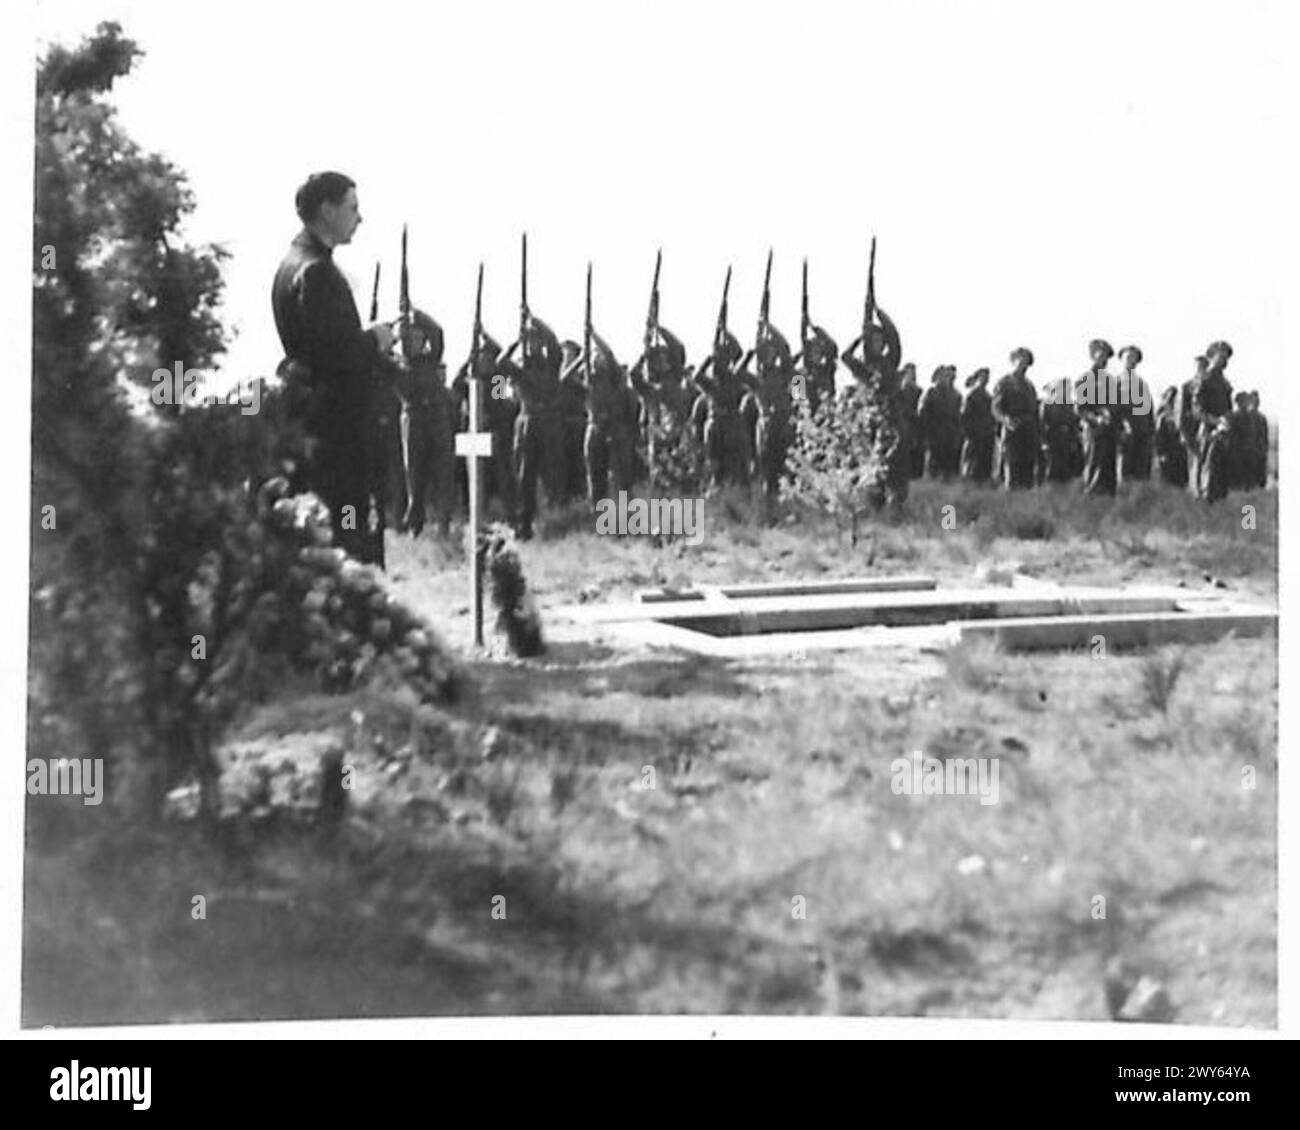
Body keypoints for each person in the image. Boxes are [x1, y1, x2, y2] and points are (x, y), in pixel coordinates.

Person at [272, 171, 395, 564]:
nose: (360, 218)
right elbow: (339, 358)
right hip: (340, 439)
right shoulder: (318, 272)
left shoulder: (290, 266)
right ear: (327, 210)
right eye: (352, 208)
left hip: (314, 431)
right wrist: (376, 339)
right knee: (350, 545)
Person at [1075, 339, 1119, 496]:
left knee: (1109, 468)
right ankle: (1091, 498)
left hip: (1109, 431)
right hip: (1093, 430)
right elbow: (1080, 409)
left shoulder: (1110, 381)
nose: (1104, 359)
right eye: (1100, 355)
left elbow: (1116, 406)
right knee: (1094, 465)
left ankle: (1107, 499)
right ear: (1093, 356)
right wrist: (1095, 418)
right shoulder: (1085, 379)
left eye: (1106, 357)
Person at [991, 347, 1040, 489]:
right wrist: (1006, 420)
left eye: (1026, 362)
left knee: (1027, 468)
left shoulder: (1029, 386)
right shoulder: (1004, 383)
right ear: (1013, 361)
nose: (1023, 364)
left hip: (1028, 431)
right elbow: (996, 408)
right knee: (1012, 466)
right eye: (1020, 360)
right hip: (1012, 429)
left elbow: (1034, 410)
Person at [1195, 340, 1235, 502]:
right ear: (1211, 357)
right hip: (1207, 430)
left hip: (1223, 432)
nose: (1224, 360)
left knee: (1221, 472)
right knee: (1208, 470)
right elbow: (1197, 409)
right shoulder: (1204, 378)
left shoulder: (1224, 383)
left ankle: (1218, 508)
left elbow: (1228, 407)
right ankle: (1205, 503)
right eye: (1220, 356)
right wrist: (1216, 421)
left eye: (1226, 357)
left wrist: (1226, 420)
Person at [1116, 345, 1153, 482]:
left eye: (1134, 358)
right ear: (1121, 360)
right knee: (1124, 473)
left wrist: (1150, 433)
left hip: (1142, 434)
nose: (1131, 361)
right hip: (1124, 435)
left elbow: (1149, 412)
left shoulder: (1142, 384)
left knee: (1141, 473)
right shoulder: (1114, 383)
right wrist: (1121, 426)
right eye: (1128, 357)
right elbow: (1111, 410)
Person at [918, 365, 962, 479]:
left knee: (948, 467)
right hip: (934, 434)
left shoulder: (954, 394)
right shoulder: (930, 393)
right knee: (933, 465)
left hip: (950, 435)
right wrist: (926, 433)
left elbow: (957, 416)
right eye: (942, 376)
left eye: (947, 376)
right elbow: (923, 414)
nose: (945, 378)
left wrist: (957, 433)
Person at [1039, 376, 1082, 483]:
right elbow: (1041, 425)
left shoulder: (1070, 405)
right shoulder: (1047, 405)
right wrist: (1044, 442)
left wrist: (1075, 441)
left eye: (1068, 388)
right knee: (1052, 468)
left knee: (1067, 470)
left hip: (1067, 439)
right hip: (1053, 439)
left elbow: (1074, 425)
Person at [959, 368, 995, 482]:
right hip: (974, 435)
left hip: (986, 435)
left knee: (985, 463)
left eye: (987, 377)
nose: (986, 379)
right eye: (983, 377)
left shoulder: (989, 396)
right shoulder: (972, 395)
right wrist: (968, 433)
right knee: (972, 463)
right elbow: (964, 416)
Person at [1154, 385, 1188, 488]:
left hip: (1179, 454)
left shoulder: (1178, 416)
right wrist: (1161, 453)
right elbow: (1159, 436)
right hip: (1168, 454)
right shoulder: (1163, 417)